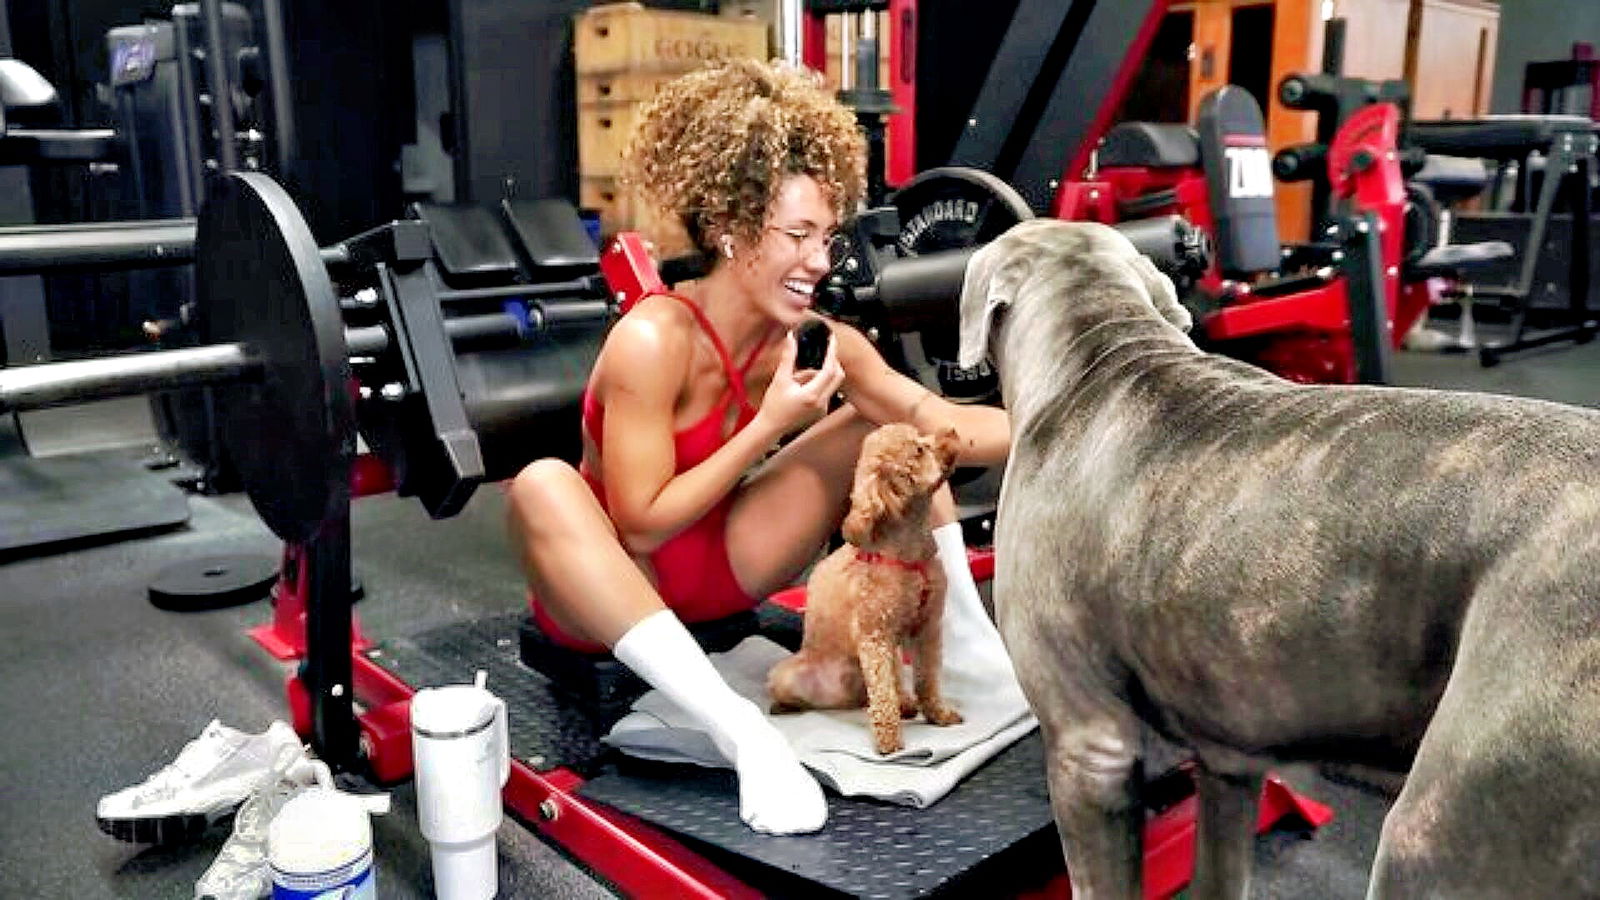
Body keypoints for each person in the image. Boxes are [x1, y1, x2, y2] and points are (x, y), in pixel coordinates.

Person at [506, 59, 1010, 835]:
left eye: (827, 238)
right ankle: (741, 734)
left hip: (721, 572)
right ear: (731, 231)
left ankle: (973, 647)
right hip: (611, 591)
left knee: (892, 431)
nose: (818, 260)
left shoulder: (810, 341)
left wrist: (1076, 417)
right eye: (797, 235)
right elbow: (639, 524)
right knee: (540, 483)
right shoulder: (651, 338)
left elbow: (934, 416)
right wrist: (769, 425)